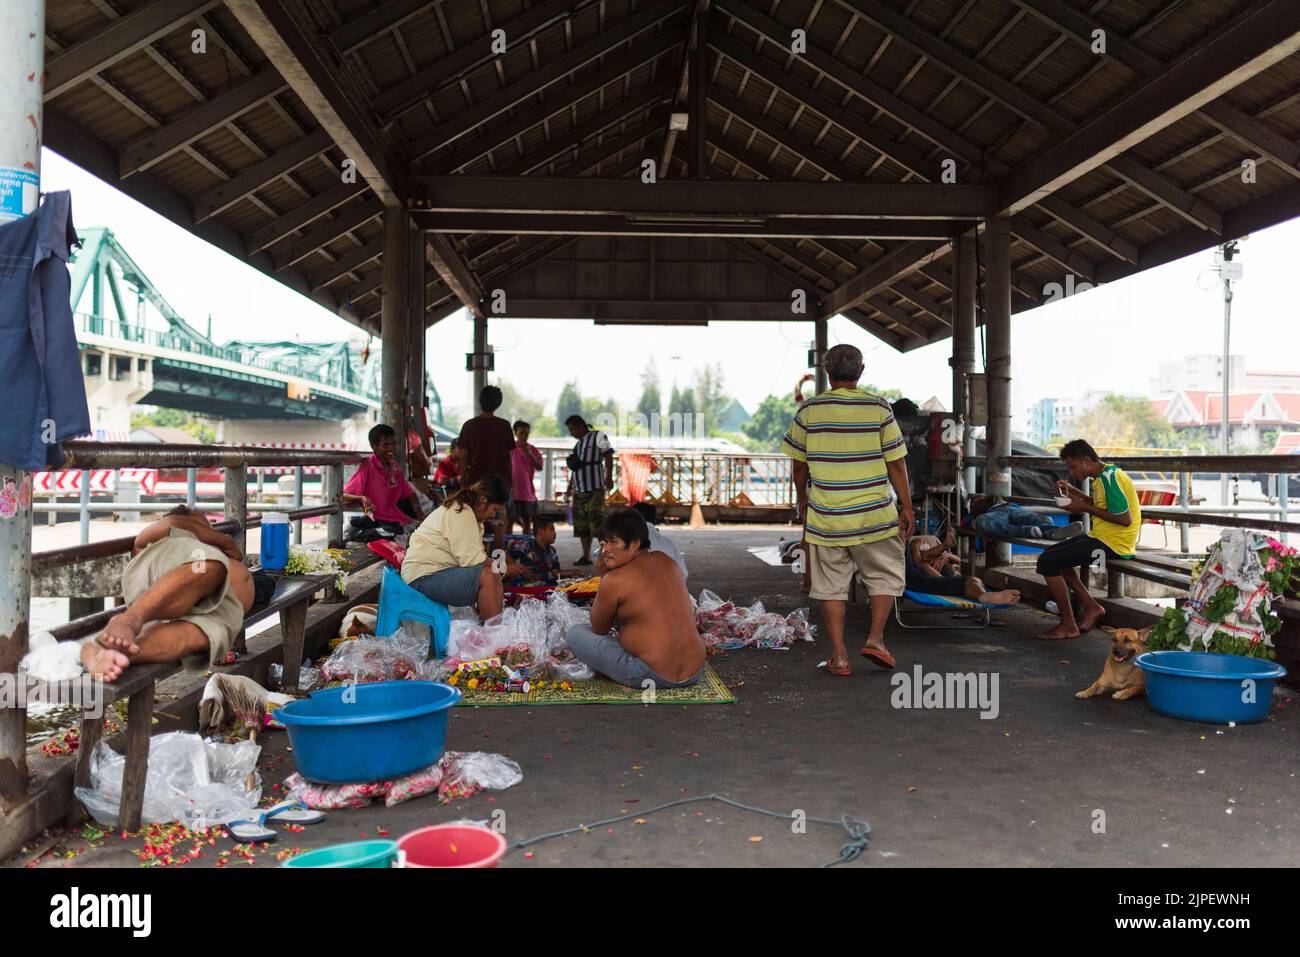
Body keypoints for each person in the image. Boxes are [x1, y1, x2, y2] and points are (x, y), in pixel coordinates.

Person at [781, 343, 914, 675]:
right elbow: (896, 463)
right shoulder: (879, 408)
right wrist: (907, 507)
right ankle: (876, 640)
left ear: (827, 372)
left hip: (828, 518)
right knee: (884, 575)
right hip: (875, 516)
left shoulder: (809, 410)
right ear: (861, 371)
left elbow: (799, 465)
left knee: (830, 586)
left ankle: (839, 657)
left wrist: (801, 498)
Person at [80, 506, 254, 679]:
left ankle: (109, 653)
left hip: (223, 606)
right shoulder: (175, 533)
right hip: (187, 573)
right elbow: (172, 522)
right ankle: (130, 619)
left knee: (197, 637)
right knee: (208, 565)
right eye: (205, 524)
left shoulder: (203, 548)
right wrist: (224, 541)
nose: (209, 529)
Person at [566, 507, 705, 689]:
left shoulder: (614, 579)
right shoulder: (666, 561)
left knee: (575, 634)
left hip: (652, 675)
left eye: (613, 542)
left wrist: (604, 576)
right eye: (604, 543)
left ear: (635, 544)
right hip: (695, 670)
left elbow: (599, 628)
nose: (605, 550)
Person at [1035, 439, 1142, 639]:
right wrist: (1074, 492)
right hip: (1102, 538)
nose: (1072, 471)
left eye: (1073, 467)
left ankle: (1068, 625)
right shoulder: (1103, 476)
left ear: (1086, 461)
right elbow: (1102, 505)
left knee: (1047, 561)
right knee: (1052, 555)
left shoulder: (1109, 478)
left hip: (1114, 544)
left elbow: (1124, 519)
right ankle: (1091, 606)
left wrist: (1082, 507)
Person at [402, 476, 510, 619]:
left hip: (430, 575)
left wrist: (496, 565)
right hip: (421, 579)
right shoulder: (461, 512)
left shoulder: (465, 511)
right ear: (483, 500)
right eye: (494, 509)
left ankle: (493, 626)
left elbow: (473, 559)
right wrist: (501, 565)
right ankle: (494, 630)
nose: (493, 515)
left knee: (492, 572)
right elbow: (472, 560)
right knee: (489, 574)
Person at [457, 385, 516, 550]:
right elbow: (508, 459)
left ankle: (476, 556)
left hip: (476, 485)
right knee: (498, 525)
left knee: (475, 523)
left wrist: (463, 483)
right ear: (498, 403)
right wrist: (510, 483)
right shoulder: (504, 426)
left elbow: (464, 459)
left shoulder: (469, 426)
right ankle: (499, 558)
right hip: (499, 485)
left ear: (480, 401)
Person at [342, 424, 423, 534]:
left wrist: (420, 514)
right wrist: (361, 498)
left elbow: (410, 494)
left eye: (393, 443)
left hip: (398, 519)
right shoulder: (368, 467)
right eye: (386, 444)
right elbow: (343, 496)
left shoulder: (394, 467)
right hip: (380, 523)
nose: (391, 448)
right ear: (373, 446)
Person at [905, 532, 1020, 605]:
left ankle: (985, 596)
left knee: (974, 580)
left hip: (944, 578)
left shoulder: (935, 556)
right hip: (928, 580)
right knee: (971, 580)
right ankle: (985, 596)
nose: (924, 543)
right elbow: (919, 561)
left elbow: (957, 560)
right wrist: (925, 563)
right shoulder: (915, 554)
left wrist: (946, 555)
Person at [564, 414, 614, 566]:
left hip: (594, 488)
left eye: (572, 429)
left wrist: (609, 476)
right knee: (581, 525)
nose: (572, 433)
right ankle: (586, 555)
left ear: (580, 426)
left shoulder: (599, 436)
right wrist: (570, 487)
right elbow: (575, 469)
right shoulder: (578, 445)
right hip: (579, 489)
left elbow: (608, 456)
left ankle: (607, 555)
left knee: (597, 522)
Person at [969, 495, 1081, 540]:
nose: (979, 499)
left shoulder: (992, 497)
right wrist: (973, 522)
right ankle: (1033, 531)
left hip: (1011, 507)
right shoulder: (976, 511)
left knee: (1042, 519)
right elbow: (967, 521)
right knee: (981, 521)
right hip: (994, 513)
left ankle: (1052, 532)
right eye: (975, 501)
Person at [509, 419, 544, 535]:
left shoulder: (532, 449)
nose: (524, 436)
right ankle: (507, 543)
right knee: (509, 520)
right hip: (512, 491)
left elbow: (539, 467)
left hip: (527, 492)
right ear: (515, 433)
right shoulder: (510, 449)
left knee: (527, 520)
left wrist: (531, 455)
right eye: (521, 433)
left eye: (526, 434)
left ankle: (525, 543)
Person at [504, 515, 562, 585]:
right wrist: (518, 568)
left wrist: (573, 572)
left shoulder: (552, 551)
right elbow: (507, 554)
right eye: (551, 530)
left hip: (545, 585)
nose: (555, 533)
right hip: (524, 585)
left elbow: (556, 573)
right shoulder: (527, 545)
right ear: (541, 531)